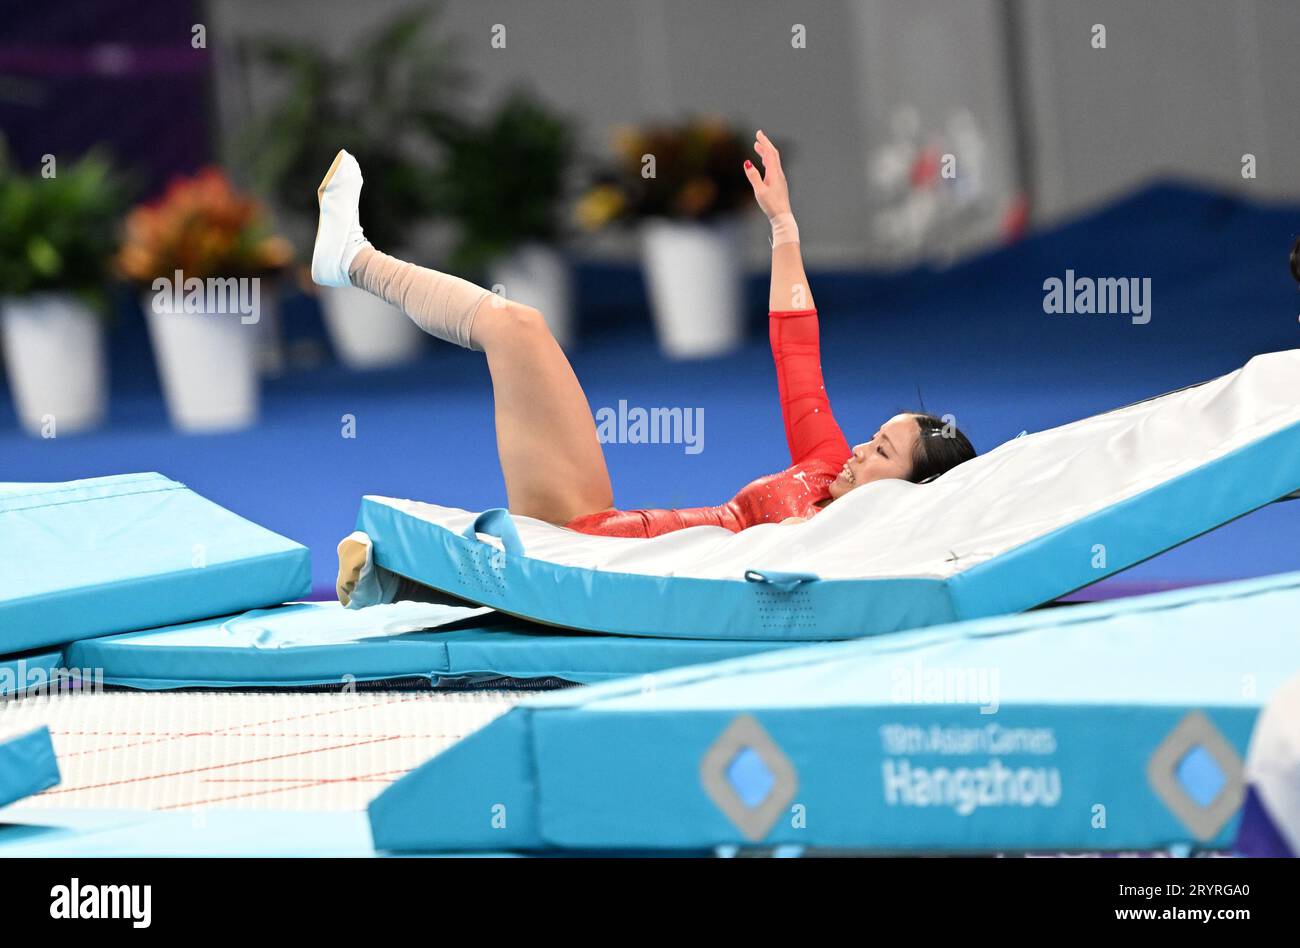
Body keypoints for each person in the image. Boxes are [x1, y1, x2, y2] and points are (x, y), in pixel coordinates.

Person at [313, 131, 975, 604]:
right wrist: (783, 226)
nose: (860, 450)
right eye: (874, 436)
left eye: (883, 451)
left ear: (912, 489)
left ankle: (404, 578)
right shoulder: (827, 465)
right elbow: (797, 351)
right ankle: (351, 261)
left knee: (516, 327)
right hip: (601, 532)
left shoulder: (862, 549)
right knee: (518, 326)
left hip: (609, 568)